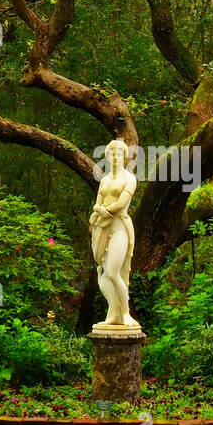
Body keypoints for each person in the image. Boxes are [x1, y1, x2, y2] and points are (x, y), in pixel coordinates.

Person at [89, 139, 138, 327]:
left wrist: (102, 210)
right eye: (112, 154)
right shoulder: (105, 180)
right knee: (105, 272)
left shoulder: (129, 179)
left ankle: (126, 313)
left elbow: (120, 204)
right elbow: (97, 203)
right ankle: (113, 313)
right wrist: (98, 210)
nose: (115, 157)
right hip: (102, 227)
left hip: (119, 226)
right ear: (108, 157)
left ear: (124, 156)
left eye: (119, 154)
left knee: (112, 271)